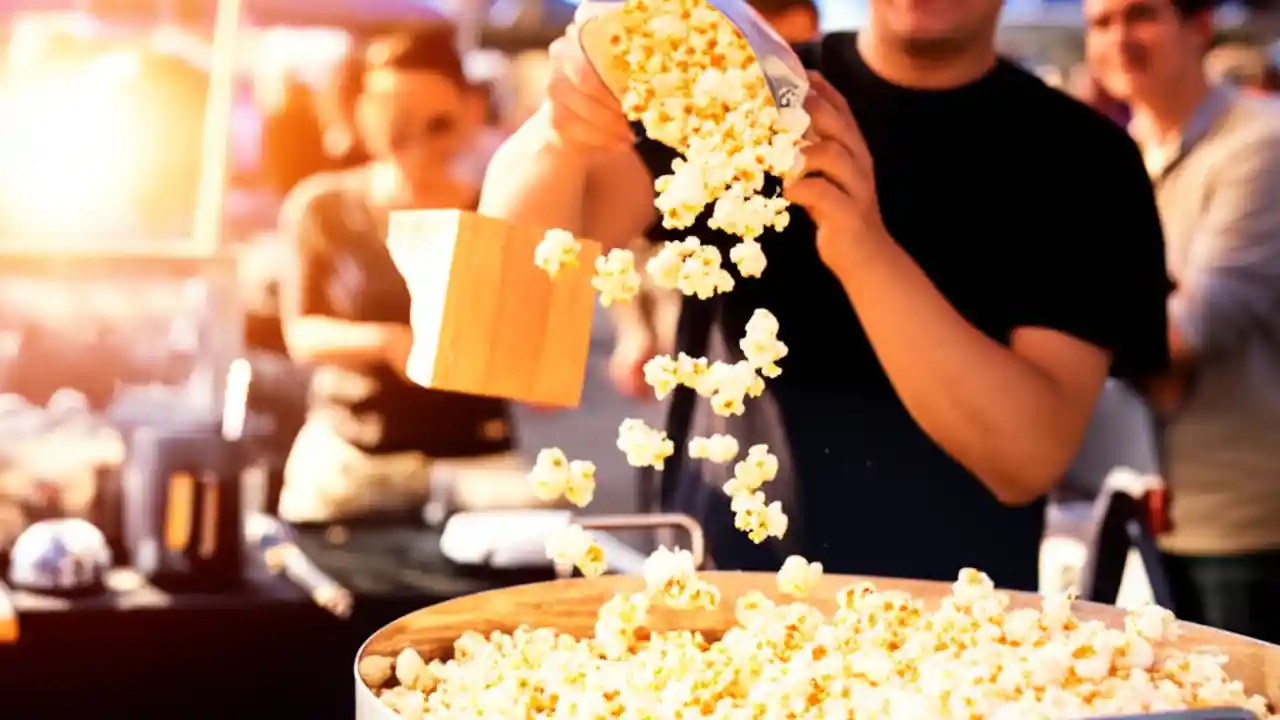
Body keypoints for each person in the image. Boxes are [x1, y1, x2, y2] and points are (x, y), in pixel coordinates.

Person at [481, 0, 1171, 589]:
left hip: (953, 635)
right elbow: (514, 276)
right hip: (715, 600)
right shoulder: (734, 86)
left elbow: (1026, 458)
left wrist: (863, 247)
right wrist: (558, 131)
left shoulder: (1085, 162)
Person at [1085, 0, 1280, 642]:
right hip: (1159, 501)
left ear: (1199, 26)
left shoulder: (1260, 144)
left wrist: (1059, 331)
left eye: (1140, 15)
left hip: (1245, 515)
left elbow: (1186, 332)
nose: (1118, 40)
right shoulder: (1129, 150)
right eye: (1101, 23)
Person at [277, 28, 516, 523]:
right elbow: (301, 332)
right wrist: (387, 343)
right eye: (395, 115)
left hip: (472, 454)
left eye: (434, 119)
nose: (415, 135)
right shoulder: (323, 207)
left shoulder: (498, 212)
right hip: (355, 450)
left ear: (468, 111)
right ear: (363, 111)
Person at [608, 0, 821, 401]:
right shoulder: (686, 122)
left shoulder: (835, 118)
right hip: (717, 377)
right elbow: (627, 240)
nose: (756, 71)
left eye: (779, 48)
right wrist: (634, 330)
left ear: (807, 33)